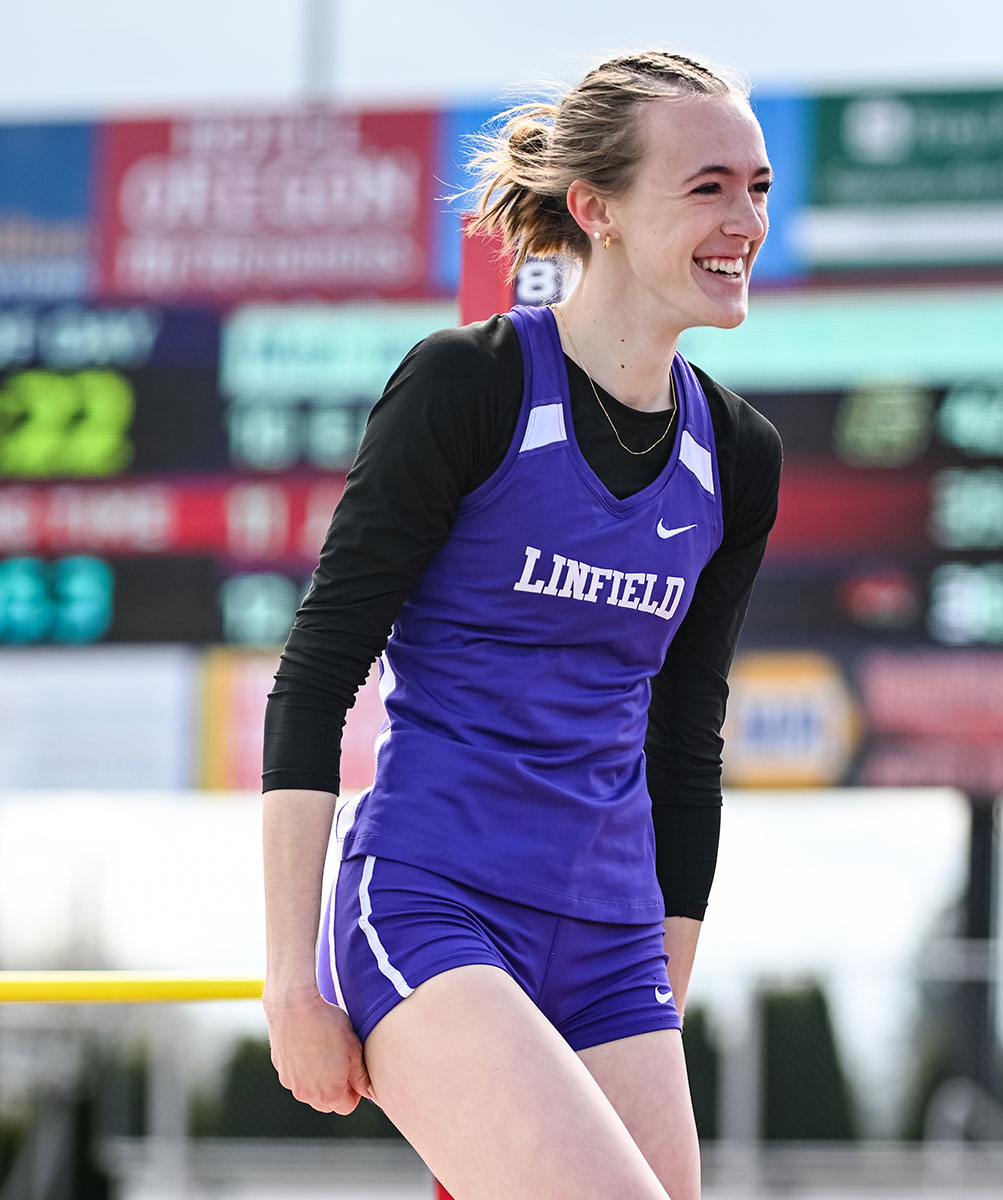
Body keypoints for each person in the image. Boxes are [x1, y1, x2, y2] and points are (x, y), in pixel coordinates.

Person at [260, 49, 782, 1199]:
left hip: (609, 942)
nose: (744, 219)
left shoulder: (738, 456)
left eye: (757, 186)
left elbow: (683, 744)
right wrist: (290, 984)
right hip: (433, 905)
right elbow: (316, 678)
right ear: (594, 208)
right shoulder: (470, 384)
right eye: (706, 186)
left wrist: (661, 998)